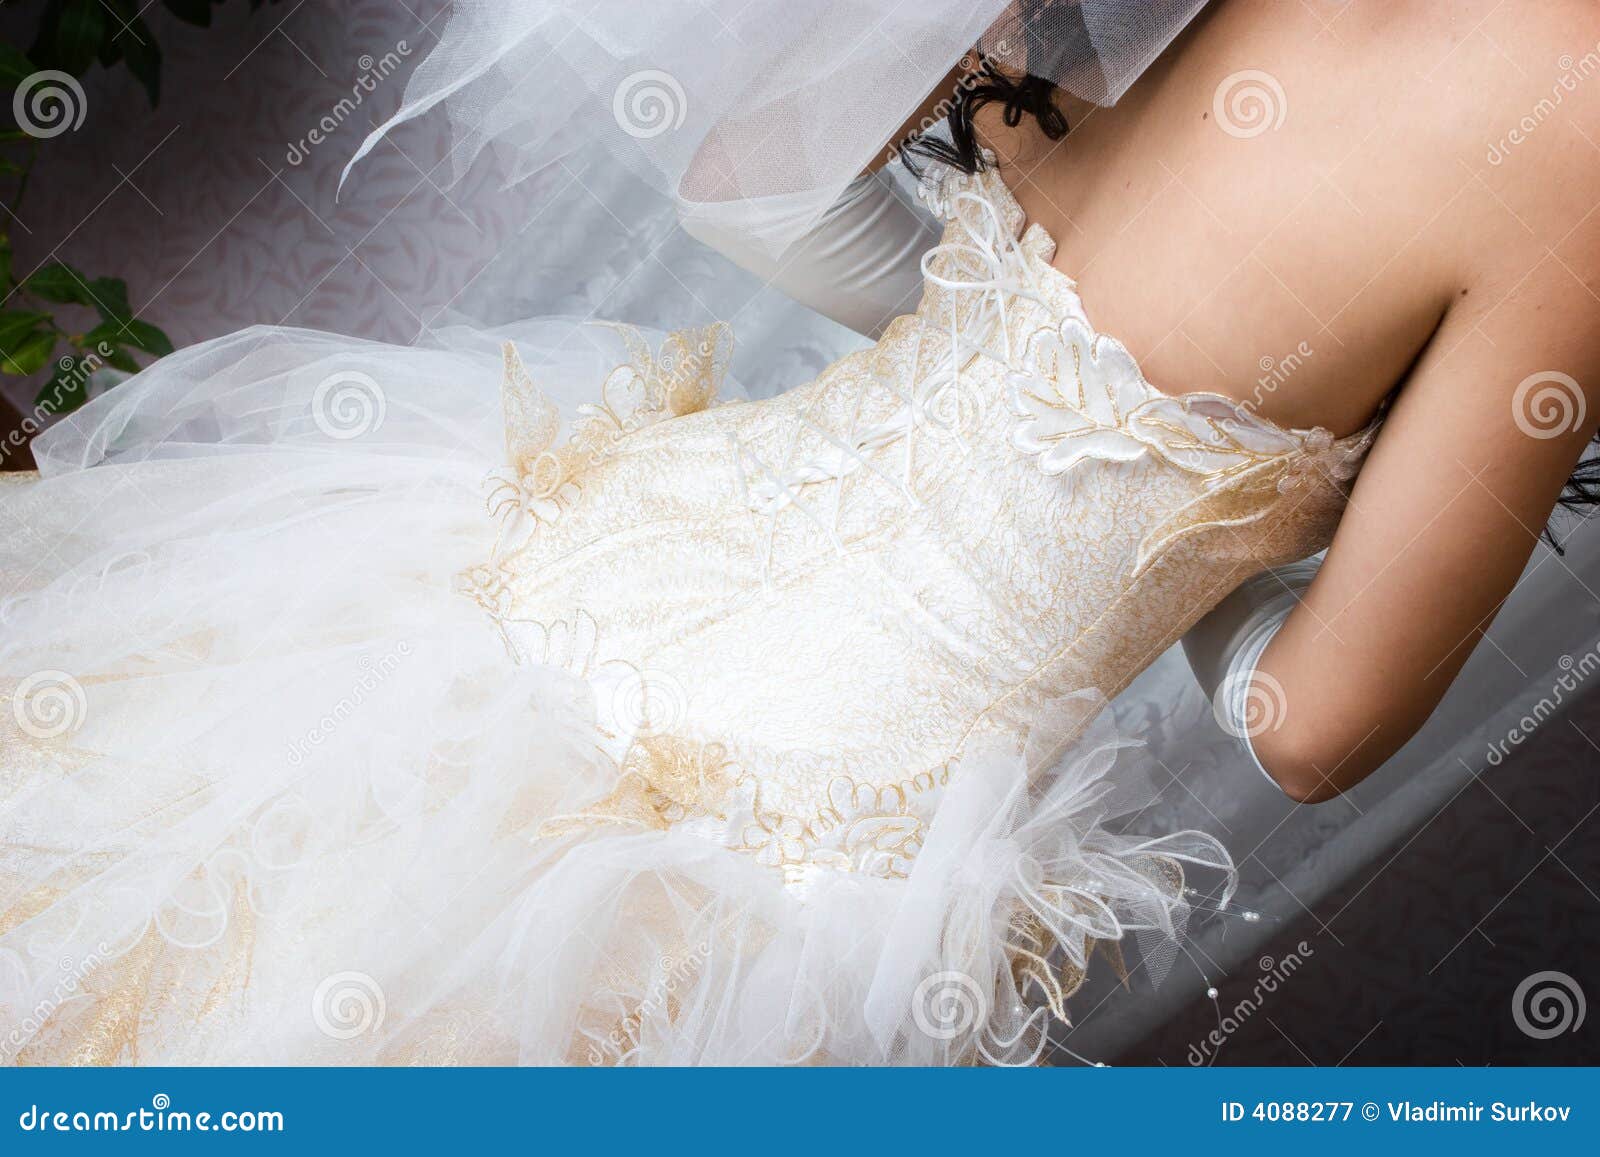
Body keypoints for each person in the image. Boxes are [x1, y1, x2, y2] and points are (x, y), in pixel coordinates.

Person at [0, 0, 1595, 1066]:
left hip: (570, 563)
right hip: (806, 836)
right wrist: (1193, 540)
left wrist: (1053, 404)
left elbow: (774, 179)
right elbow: (1313, 730)